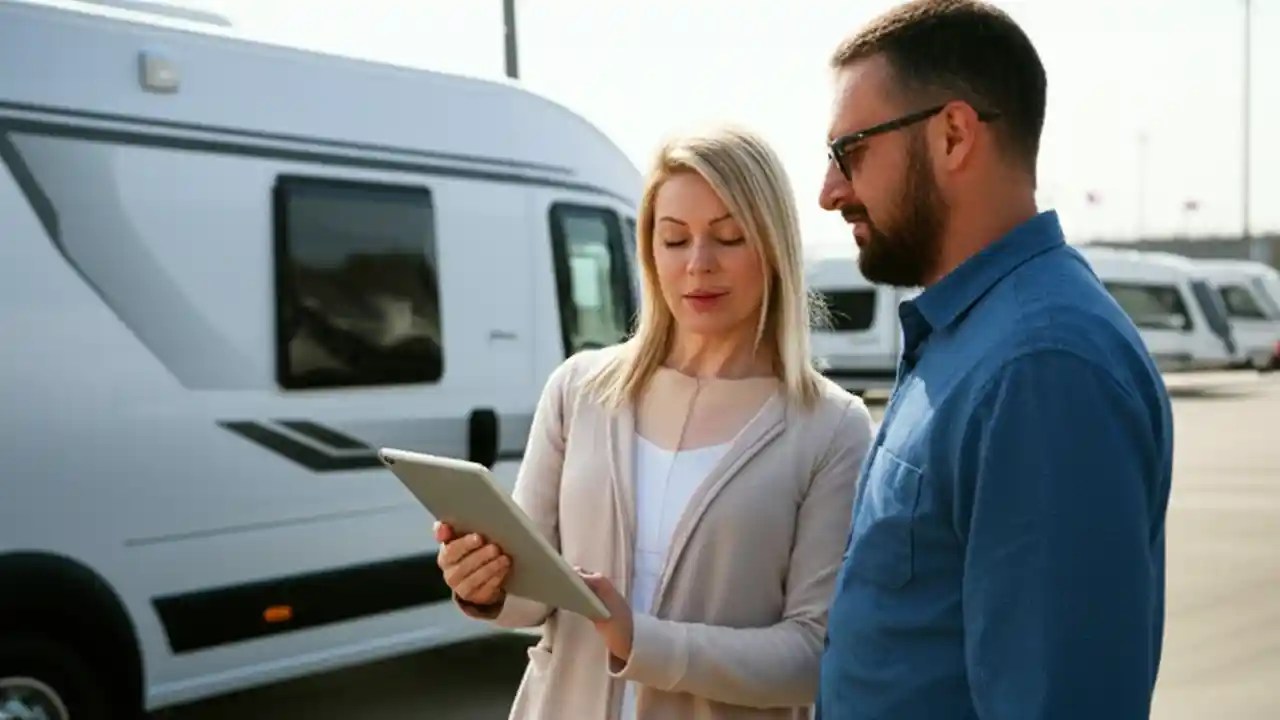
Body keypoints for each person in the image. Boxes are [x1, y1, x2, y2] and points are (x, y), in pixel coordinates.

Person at [435, 123, 875, 720]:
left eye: (729, 237)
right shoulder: (579, 389)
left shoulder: (831, 426)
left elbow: (810, 658)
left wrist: (639, 640)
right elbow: (529, 603)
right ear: (649, 251)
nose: (699, 264)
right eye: (674, 239)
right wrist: (481, 585)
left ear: (773, 246)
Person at [813, 1, 1174, 718]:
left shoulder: (1041, 367)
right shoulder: (971, 335)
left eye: (848, 151)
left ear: (953, 135)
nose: (829, 192)